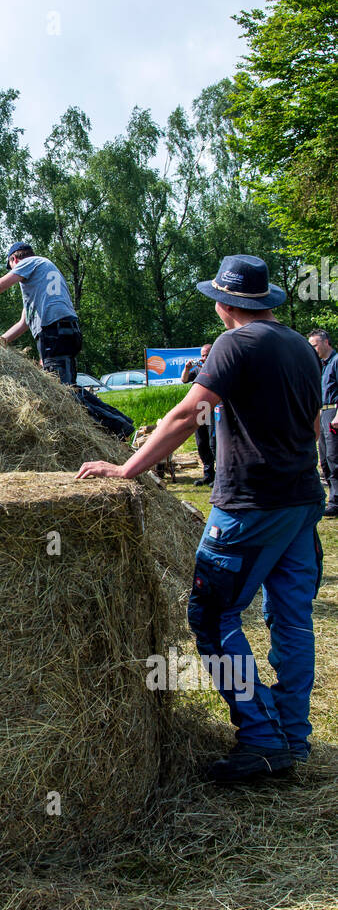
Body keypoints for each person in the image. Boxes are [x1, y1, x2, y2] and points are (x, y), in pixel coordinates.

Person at [77, 254, 324, 783]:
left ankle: (260, 740)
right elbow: (311, 423)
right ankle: (292, 734)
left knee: (212, 617)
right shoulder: (302, 345)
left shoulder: (237, 343)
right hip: (302, 499)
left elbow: (189, 413)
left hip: (250, 505)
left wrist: (127, 469)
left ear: (223, 302)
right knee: (292, 618)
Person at [0, 242, 82, 384]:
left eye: (11, 268)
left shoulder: (29, 262)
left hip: (53, 332)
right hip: (69, 331)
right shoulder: (42, 275)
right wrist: (1, 340)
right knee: (69, 387)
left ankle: (103, 408)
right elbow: (24, 322)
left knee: (63, 392)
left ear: (14, 260)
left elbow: (0, 285)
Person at [307, 327, 338, 518]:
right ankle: (333, 498)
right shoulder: (322, 365)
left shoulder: (336, 362)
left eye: (315, 345)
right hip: (323, 412)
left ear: (326, 342)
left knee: (335, 459)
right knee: (325, 460)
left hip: (334, 412)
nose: (313, 349)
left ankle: (336, 501)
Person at [182, 343, 216, 486]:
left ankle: (221, 476)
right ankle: (208, 474)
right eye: (202, 355)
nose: (204, 358)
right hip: (200, 409)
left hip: (215, 409)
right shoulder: (197, 370)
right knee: (202, 443)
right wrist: (187, 368)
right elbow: (184, 380)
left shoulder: (217, 367)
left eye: (207, 355)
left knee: (214, 443)